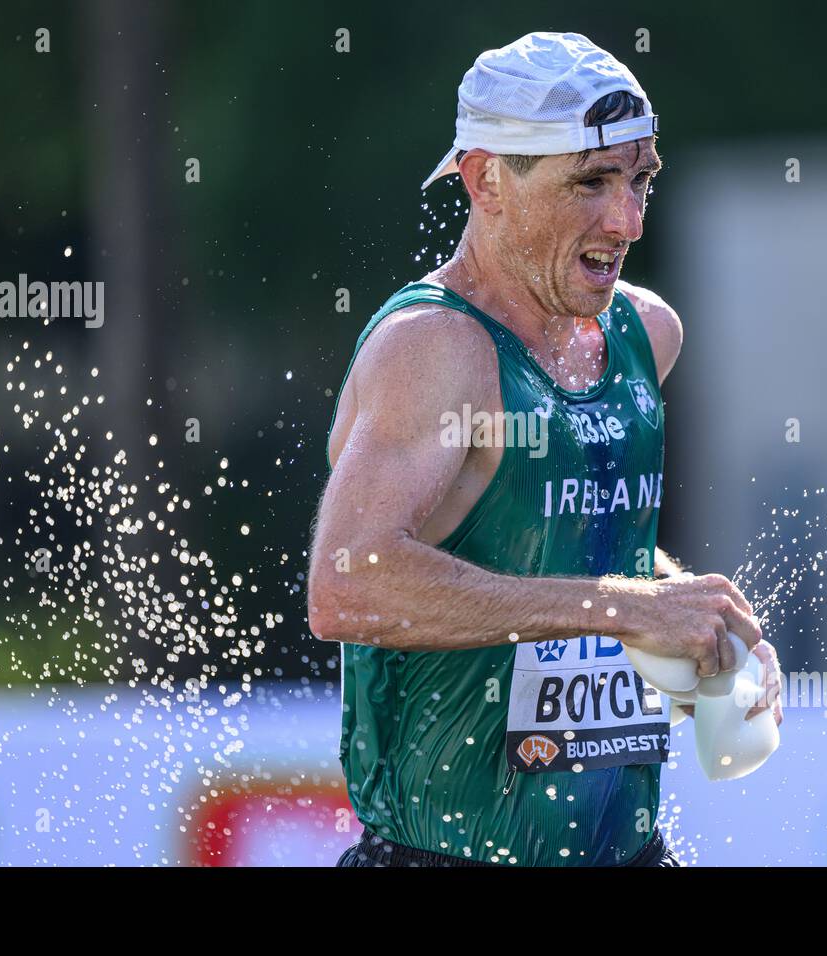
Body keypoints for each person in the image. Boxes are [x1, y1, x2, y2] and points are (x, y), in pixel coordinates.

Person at [310, 31, 782, 868]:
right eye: (590, 182)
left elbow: (560, 544)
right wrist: (628, 609)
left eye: (641, 178)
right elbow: (348, 586)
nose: (627, 218)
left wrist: (699, 617)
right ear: (486, 178)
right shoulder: (435, 351)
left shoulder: (647, 334)